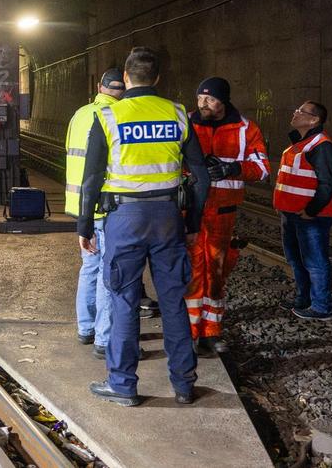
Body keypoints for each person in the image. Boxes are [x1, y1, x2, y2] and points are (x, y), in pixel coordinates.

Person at [77, 47, 209, 406]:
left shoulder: (108, 116)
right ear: (158, 78)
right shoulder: (178, 114)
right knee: (173, 301)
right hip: (168, 218)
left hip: (124, 220)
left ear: (126, 75)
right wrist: (193, 222)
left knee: (123, 300)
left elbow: (91, 180)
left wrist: (84, 226)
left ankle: (123, 385)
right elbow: (199, 175)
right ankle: (184, 384)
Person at [187, 77, 269, 356]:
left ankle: (211, 331)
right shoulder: (187, 122)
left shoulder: (246, 128)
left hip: (222, 213)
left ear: (223, 100)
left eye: (209, 99)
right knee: (192, 271)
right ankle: (190, 332)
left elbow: (263, 168)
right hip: (191, 209)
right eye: (200, 98)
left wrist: (231, 168)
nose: (203, 104)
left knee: (217, 271)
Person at [66, 68, 125, 350]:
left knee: (89, 267)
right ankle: (104, 338)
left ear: (99, 87)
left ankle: (85, 328)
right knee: (107, 271)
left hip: (80, 204)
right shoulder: (116, 116)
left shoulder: (79, 114)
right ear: (122, 90)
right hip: (104, 204)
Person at [273, 100, 332, 321]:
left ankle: (321, 307)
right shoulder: (298, 144)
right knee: (296, 260)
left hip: (310, 217)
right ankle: (304, 299)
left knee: (315, 262)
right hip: (291, 214)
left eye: (301, 111)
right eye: (297, 109)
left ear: (314, 120)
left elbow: (327, 184)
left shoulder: (321, 145)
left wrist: (311, 210)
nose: (295, 112)